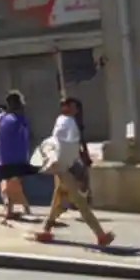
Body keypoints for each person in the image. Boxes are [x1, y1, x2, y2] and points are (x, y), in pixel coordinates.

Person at [33, 97, 115, 246]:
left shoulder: (68, 122)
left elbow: (69, 145)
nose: (74, 109)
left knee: (58, 199)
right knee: (79, 202)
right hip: (64, 167)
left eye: (75, 107)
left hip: (64, 166)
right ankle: (100, 234)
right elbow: (61, 144)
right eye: (71, 106)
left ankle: (45, 230)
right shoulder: (65, 122)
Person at [0, 91, 36, 221]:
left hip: (5, 157)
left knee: (6, 182)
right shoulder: (22, 120)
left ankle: (10, 209)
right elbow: (29, 138)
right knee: (16, 183)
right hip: (20, 157)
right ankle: (17, 208)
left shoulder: (4, 119)